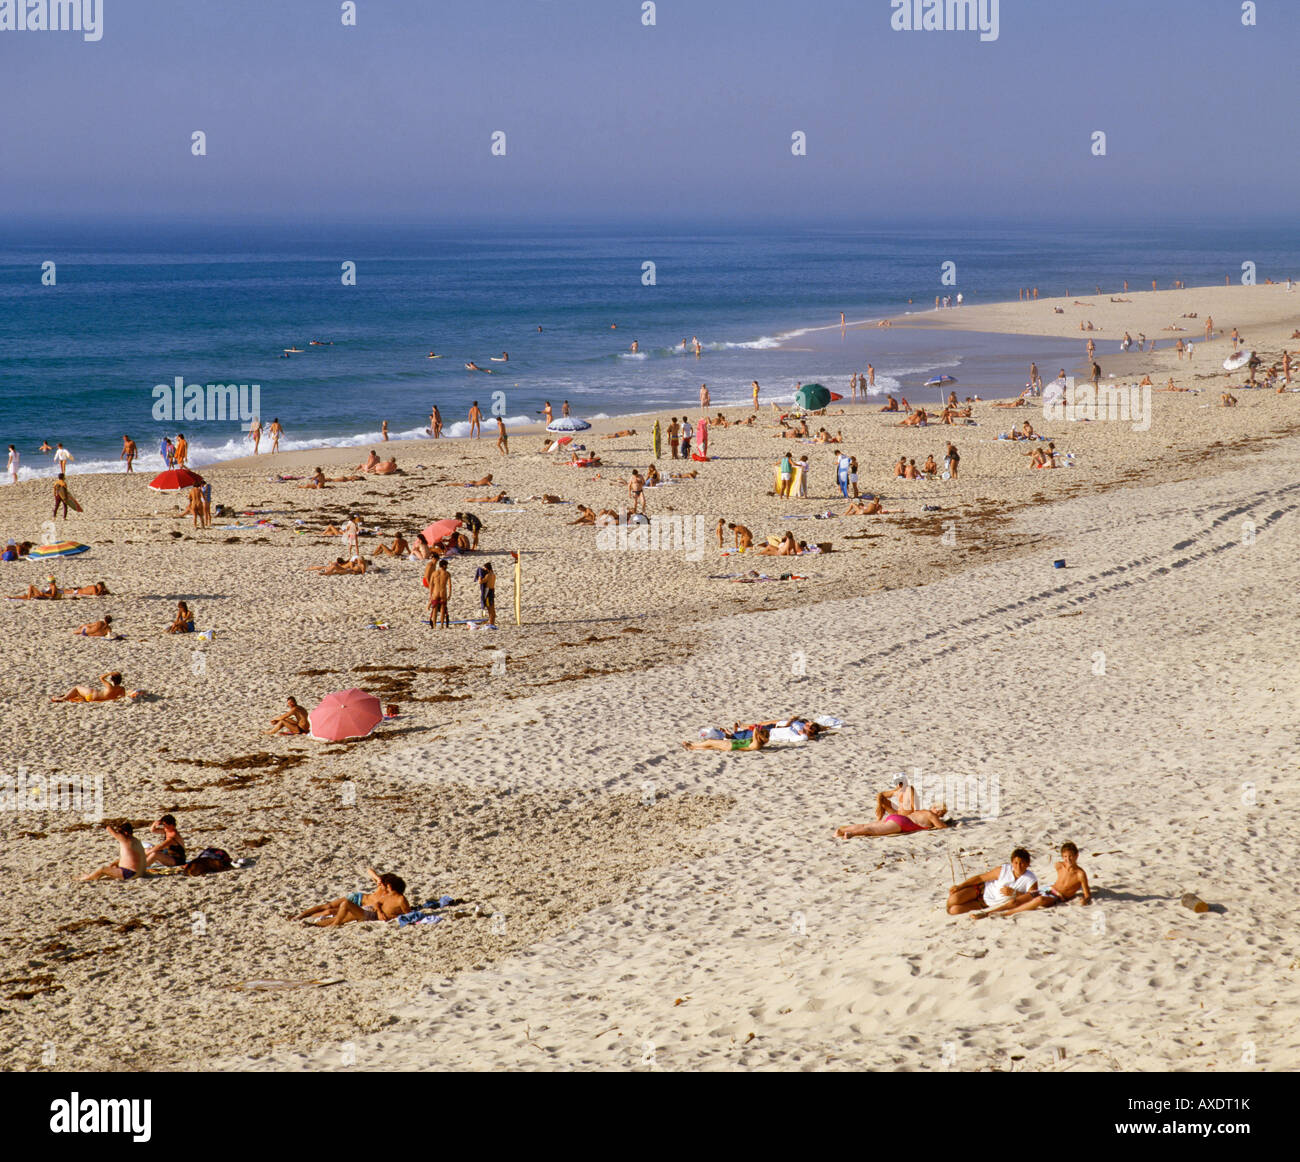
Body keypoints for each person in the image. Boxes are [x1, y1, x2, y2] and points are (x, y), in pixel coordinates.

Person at [973, 842, 1091, 917]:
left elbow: (1087, 894)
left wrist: (1084, 900)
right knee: (1016, 900)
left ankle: (1008, 913)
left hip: (1059, 896)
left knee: (1039, 900)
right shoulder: (1059, 865)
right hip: (1049, 888)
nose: (1068, 859)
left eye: (1071, 856)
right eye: (1065, 856)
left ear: (1076, 856)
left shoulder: (1080, 874)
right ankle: (987, 913)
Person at [291, 867, 411, 927]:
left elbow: (407, 913)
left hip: (364, 909)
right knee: (329, 908)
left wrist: (392, 915)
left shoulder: (391, 896)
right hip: (359, 900)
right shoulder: (383, 888)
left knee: (332, 912)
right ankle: (302, 916)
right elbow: (369, 870)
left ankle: (314, 924)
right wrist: (378, 879)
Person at [946, 849, 1037, 914]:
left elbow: (1032, 898)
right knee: (953, 900)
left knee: (954, 910)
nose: (1018, 866)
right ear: (1012, 863)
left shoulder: (1030, 879)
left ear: (1027, 864)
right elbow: (980, 878)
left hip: (988, 904)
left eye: (1022, 863)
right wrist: (960, 886)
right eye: (1016, 863)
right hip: (982, 890)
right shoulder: (1004, 869)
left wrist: (1015, 893)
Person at [80, 821, 147, 881]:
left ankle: (87, 878)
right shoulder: (136, 840)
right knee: (114, 864)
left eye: (120, 832)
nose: (119, 834)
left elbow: (111, 831)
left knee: (102, 869)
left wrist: (105, 825)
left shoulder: (125, 839)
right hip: (141, 872)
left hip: (130, 874)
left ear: (126, 833)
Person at [52, 671, 128, 704]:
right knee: (78, 693)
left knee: (77, 688)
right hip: (100, 699)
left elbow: (101, 678)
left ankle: (63, 698)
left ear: (111, 679)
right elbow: (122, 697)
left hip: (92, 696)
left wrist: (109, 673)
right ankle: (66, 696)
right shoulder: (122, 689)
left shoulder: (110, 686)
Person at [683, 725, 769, 752]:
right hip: (732, 745)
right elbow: (756, 732)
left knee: (710, 741)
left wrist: (761, 735)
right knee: (711, 746)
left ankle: (692, 745)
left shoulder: (756, 744)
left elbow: (755, 730)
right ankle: (693, 747)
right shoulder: (756, 743)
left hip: (731, 745)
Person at [429, 559, 451, 628]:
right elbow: (450, 585)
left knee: (434, 609)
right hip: (443, 592)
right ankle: (441, 625)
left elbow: (431, 584)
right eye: (446, 565)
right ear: (444, 566)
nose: (447, 567)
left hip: (435, 592)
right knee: (442, 609)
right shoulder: (447, 574)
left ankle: (434, 624)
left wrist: (431, 594)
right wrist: (450, 594)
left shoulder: (434, 573)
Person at [474, 560, 496, 626]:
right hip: (492, 591)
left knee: (490, 609)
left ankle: (491, 623)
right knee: (492, 608)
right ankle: (492, 622)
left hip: (488, 592)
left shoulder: (488, 575)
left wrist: (480, 576)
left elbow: (480, 582)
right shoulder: (493, 575)